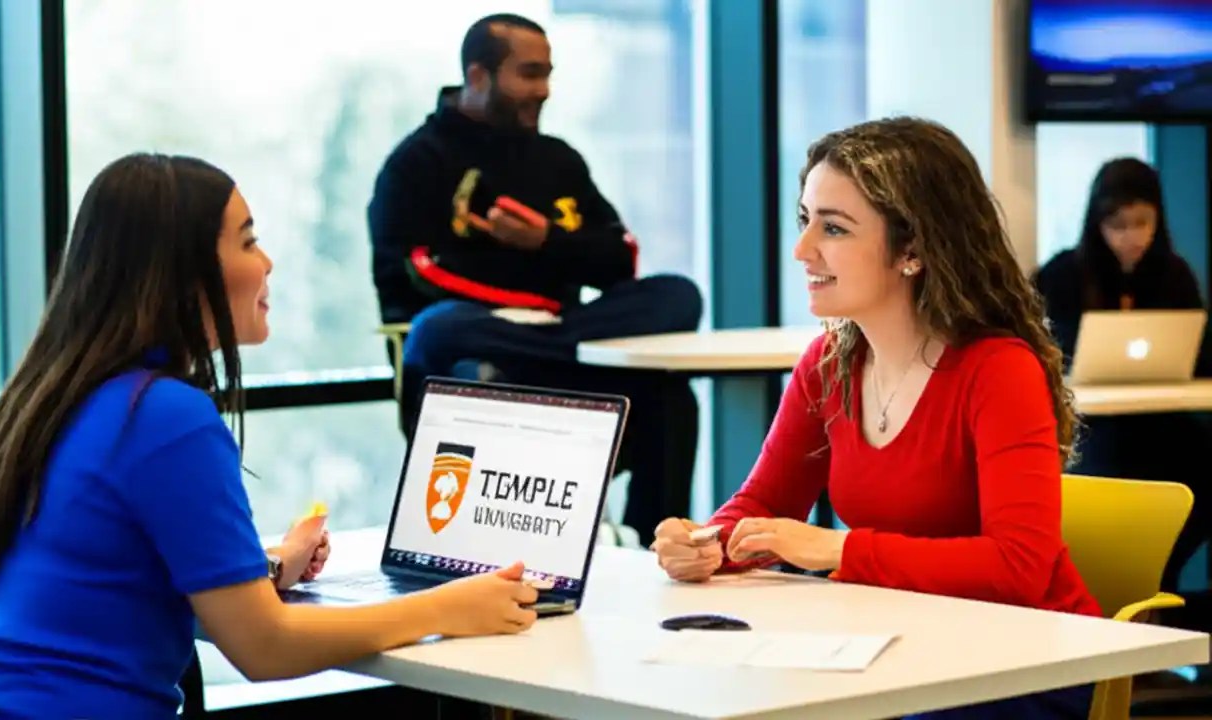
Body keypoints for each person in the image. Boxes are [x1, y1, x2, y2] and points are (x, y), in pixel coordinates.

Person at [0, 154, 540, 718]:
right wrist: (450, 606)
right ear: (184, 274)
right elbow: (264, 648)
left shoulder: (60, 395)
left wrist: (263, 569)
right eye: (249, 241)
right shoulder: (163, 415)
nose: (268, 263)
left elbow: (111, 570)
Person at [651, 118, 1101, 720]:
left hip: (1025, 665)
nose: (803, 249)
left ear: (912, 249)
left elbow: (1018, 569)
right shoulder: (827, 365)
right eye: (805, 220)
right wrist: (706, 546)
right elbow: (761, 507)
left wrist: (837, 549)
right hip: (903, 650)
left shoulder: (998, 370)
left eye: (833, 228)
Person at [368, 13, 703, 544]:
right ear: (478, 76)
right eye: (529, 74)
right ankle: (549, 344)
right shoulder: (417, 163)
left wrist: (546, 242)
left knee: (679, 302)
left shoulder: (558, 159)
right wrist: (538, 310)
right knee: (440, 329)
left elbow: (621, 258)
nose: (544, 90)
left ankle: (660, 547)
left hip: (557, 350)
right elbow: (420, 270)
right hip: (476, 350)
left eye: (547, 73)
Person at [1034, 156, 1212, 592]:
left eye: (1141, 223)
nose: (1130, 238)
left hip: (1161, 421)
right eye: (1117, 225)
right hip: (1093, 424)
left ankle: (1158, 579)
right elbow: (1047, 348)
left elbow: (1199, 353)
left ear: (1158, 218)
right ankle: (1129, 584)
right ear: (1096, 223)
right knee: (1109, 466)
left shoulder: (1174, 274)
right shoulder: (1063, 274)